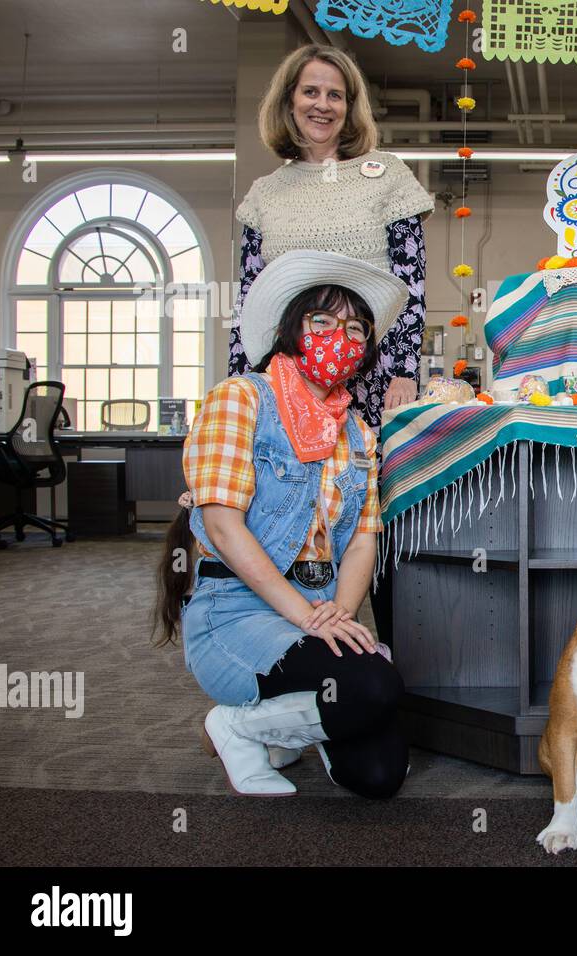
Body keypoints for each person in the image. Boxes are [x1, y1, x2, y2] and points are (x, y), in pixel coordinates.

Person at [154, 249, 411, 799]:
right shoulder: (239, 399)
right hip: (237, 613)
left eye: (356, 328)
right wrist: (310, 620)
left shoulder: (359, 434)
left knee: (380, 778)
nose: (340, 336)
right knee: (371, 688)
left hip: (318, 603)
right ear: (292, 329)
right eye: (323, 321)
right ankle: (234, 726)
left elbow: (364, 538)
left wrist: (338, 613)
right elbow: (223, 527)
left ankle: (288, 720)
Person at [227, 43, 435, 641]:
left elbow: (411, 282)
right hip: (287, 379)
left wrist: (400, 371)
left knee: (373, 519)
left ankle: (386, 656)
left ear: (351, 107)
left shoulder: (388, 174)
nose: (323, 105)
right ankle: (291, 652)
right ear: (289, 101)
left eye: (336, 95)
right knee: (286, 513)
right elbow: (249, 298)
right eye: (310, 92)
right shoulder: (266, 192)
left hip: (368, 377)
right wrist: (243, 385)